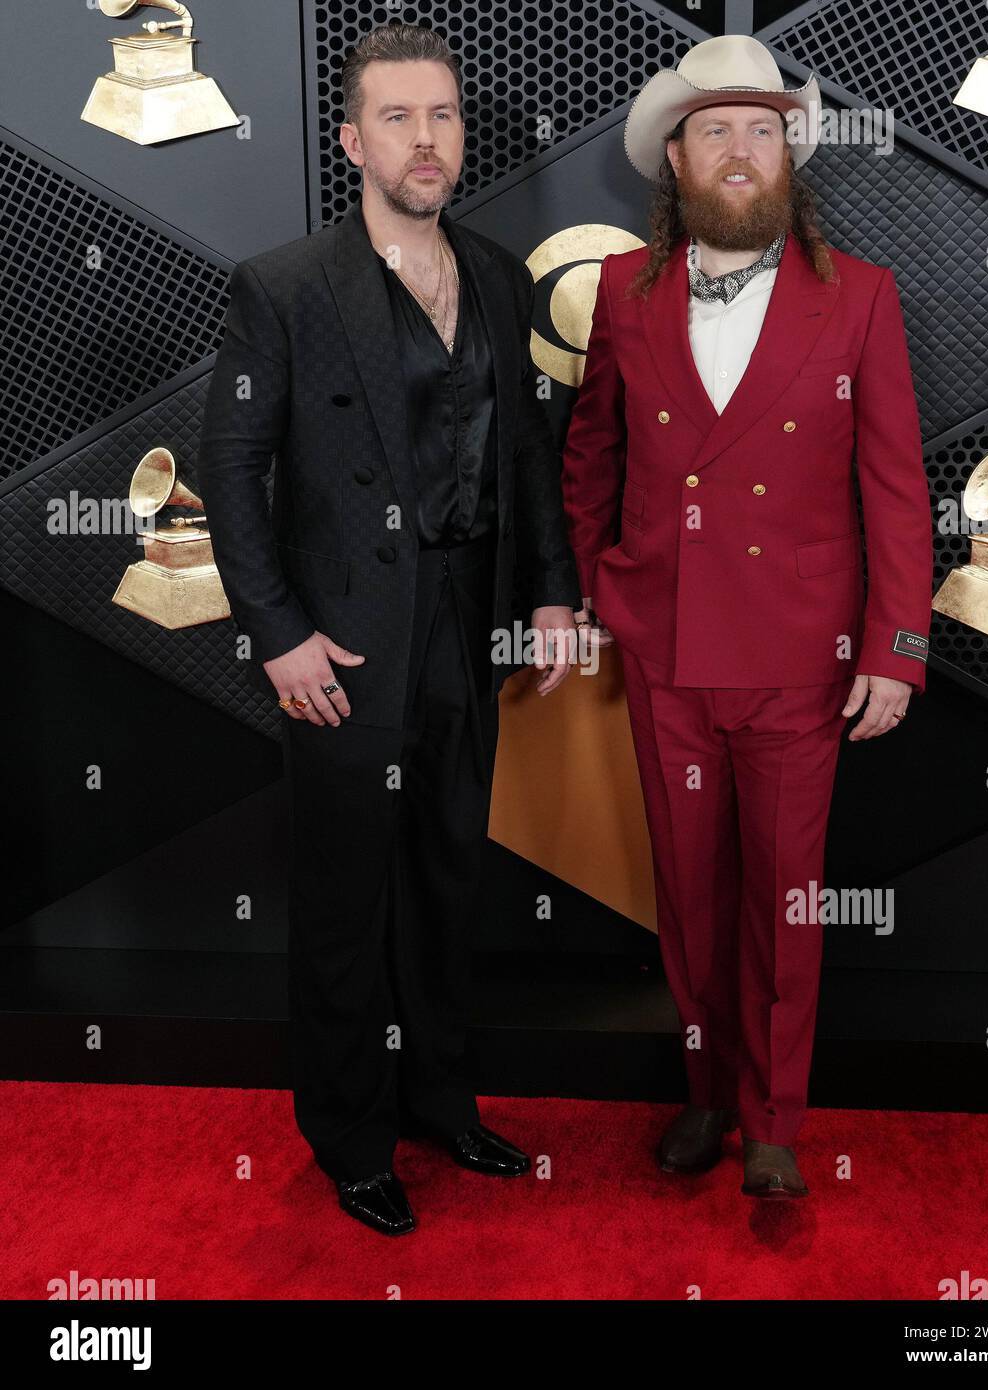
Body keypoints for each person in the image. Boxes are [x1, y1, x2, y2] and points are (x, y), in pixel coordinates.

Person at [197, 23, 581, 1235]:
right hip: (346, 643)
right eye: (400, 120)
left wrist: (554, 596)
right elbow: (231, 465)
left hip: (466, 627)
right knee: (346, 899)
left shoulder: (501, 275)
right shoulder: (286, 285)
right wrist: (278, 635)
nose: (427, 140)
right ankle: (352, 1135)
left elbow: (528, 450)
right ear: (354, 140)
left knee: (443, 877)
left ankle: (439, 1100)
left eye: (445, 116)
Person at [561, 35, 934, 1199]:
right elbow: (590, 456)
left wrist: (895, 647)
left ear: (787, 156)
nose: (739, 148)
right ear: (673, 158)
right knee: (688, 897)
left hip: (799, 656)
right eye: (714, 128)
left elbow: (895, 486)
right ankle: (705, 1093)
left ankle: (771, 1115)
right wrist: (595, 582)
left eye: (760, 128)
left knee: (782, 894)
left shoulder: (859, 297)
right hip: (668, 650)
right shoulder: (624, 292)